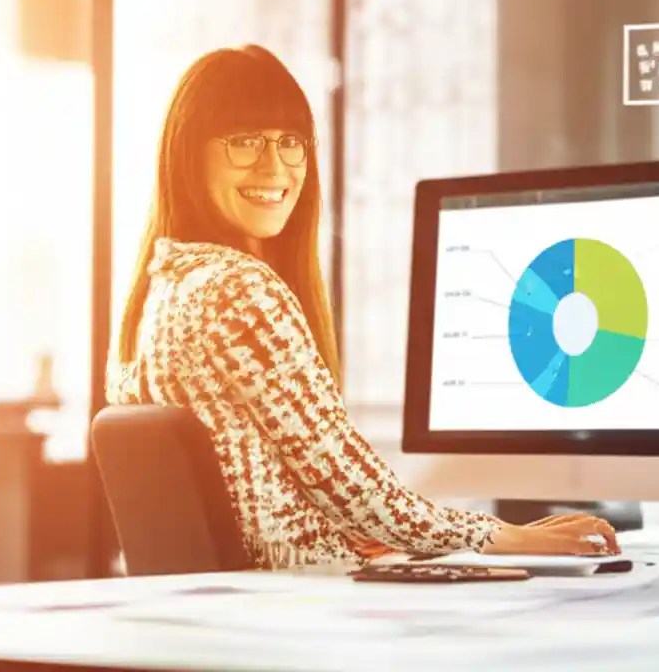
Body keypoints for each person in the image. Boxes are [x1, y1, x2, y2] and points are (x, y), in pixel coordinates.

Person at [107, 44, 619, 569]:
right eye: (244, 142)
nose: (274, 166)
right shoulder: (237, 291)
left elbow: (288, 496)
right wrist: (500, 535)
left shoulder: (160, 291)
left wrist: (374, 536)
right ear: (186, 155)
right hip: (300, 598)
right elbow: (352, 487)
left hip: (265, 594)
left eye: (290, 142)